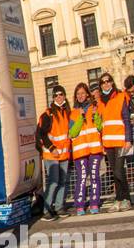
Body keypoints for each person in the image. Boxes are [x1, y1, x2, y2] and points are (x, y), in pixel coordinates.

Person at [94, 72, 131, 211]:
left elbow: (126, 120)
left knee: (119, 171)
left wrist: (128, 139)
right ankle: (119, 199)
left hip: (120, 140)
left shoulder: (121, 96)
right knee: (114, 172)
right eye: (103, 82)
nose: (106, 83)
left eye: (108, 80)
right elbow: (101, 125)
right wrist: (101, 143)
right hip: (108, 142)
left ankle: (125, 198)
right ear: (100, 85)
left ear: (112, 82)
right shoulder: (100, 103)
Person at [36, 84, 70, 220]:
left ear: (65, 96)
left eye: (61, 94)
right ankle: (47, 209)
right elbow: (41, 134)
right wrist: (52, 148)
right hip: (51, 154)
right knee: (54, 181)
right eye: (56, 95)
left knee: (63, 181)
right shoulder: (48, 114)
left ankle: (59, 207)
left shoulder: (66, 112)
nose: (59, 97)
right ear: (53, 97)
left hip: (64, 153)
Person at [68, 82, 103, 214]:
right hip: (80, 151)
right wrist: (80, 118)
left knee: (94, 176)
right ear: (75, 97)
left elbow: (100, 127)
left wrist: (94, 116)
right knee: (82, 177)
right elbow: (72, 133)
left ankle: (94, 203)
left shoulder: (94, 108)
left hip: (94, 149)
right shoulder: (73, 113)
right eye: (78, 94)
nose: (81, 96)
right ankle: (80, 205)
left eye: (83, 93)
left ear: (88, 94)